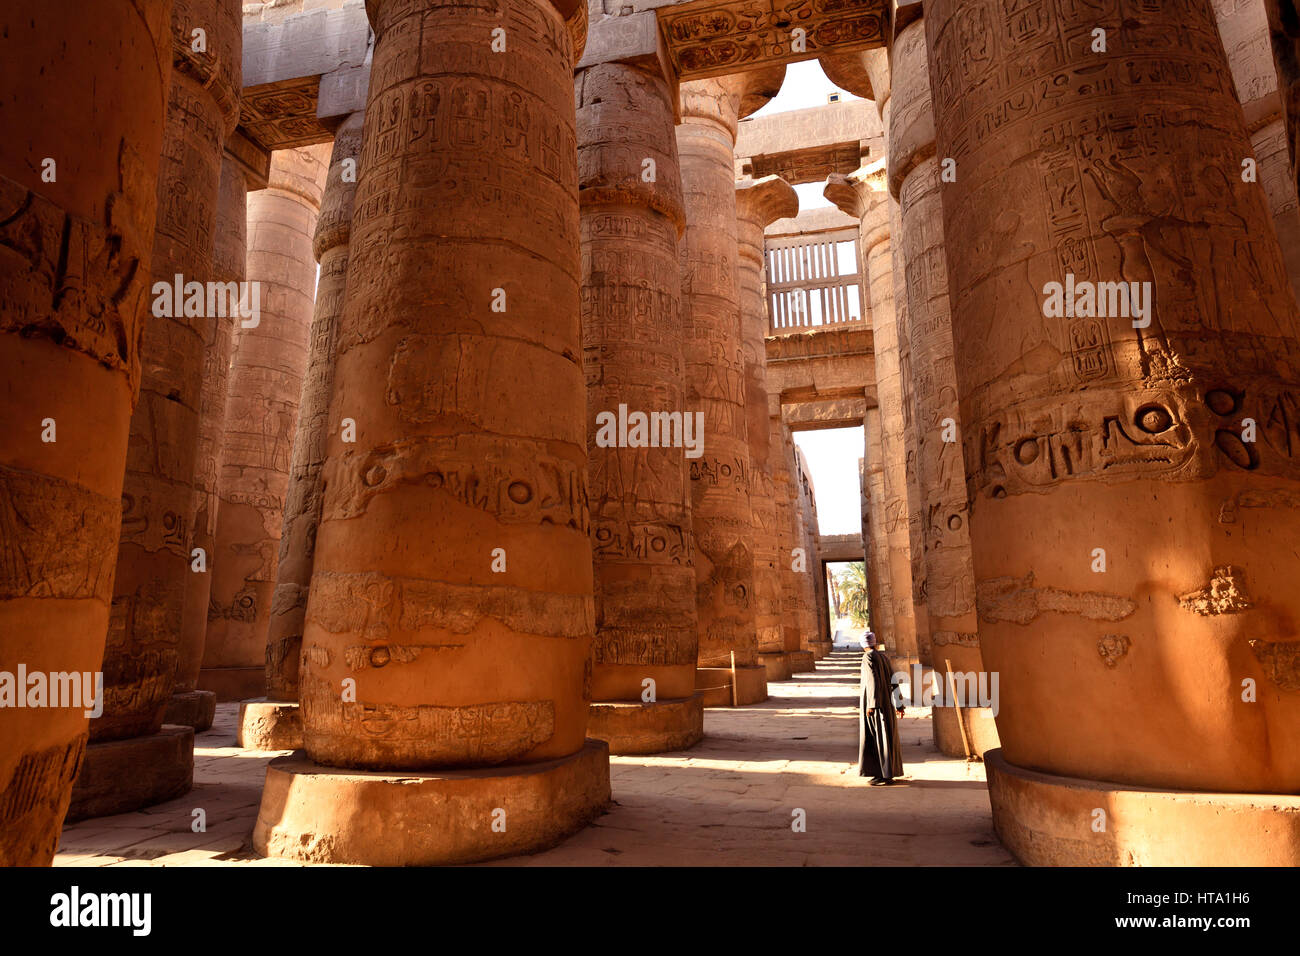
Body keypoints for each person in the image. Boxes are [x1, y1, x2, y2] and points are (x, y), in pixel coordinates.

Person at [858, 643, 903, 785]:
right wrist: (899, 704)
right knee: (886, 738)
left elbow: (872, 681)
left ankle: (882, 775)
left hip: (877, 707)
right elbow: (894, 680)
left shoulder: (868, 657)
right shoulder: (883, 657)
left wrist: (872, 704)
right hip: (887, 705)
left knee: (877, 738)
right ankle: (887, 773)